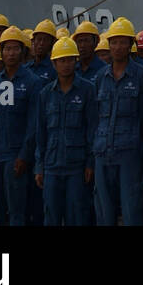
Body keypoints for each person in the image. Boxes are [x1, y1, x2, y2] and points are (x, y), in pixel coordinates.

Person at [0, 25, 43, 226]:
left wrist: (24, 155)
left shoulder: (33, 82)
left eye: (15, 48)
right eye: (7, 48)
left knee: (17, 211)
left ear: (22, 52)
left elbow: (33, 124)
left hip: (15, 155)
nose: (11, 53)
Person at [92, 16, 143, 226]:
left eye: (123, 42)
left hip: (129, 156)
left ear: (131, 45)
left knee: (131, 210)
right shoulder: (100, 78)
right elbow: (95, 118)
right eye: (114, 42)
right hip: (102, 152)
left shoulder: (141, 76)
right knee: (103, 212)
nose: (117, 47)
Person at [34, 35, 97, 226]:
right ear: (54, 64)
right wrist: (39, 166)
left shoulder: (87, 90)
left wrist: (89, 163)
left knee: (77, 215)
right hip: (52, 166)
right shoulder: (45, 94)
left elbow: (92, 129)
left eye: (70, 60)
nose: (66, 65)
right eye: (62, 60)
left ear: (76, 61)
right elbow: (41, 133)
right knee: (51, 215)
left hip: (76, 167)